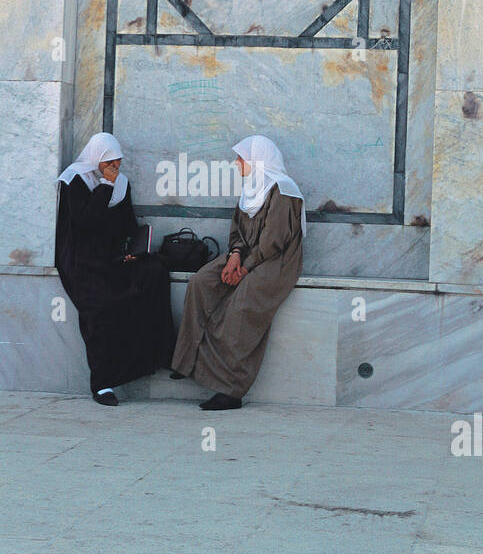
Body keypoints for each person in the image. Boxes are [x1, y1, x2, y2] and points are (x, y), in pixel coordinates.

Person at [171, 135, 305, 410]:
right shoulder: (251, 188)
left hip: (275, 262)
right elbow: (238, 231)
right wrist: (234, 256)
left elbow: (274, 240)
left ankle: (232, 391)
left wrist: (244, 268)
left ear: (257, 160)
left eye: (241, 158)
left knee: (239, 307)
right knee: (200, 282)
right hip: (245, 257)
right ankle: (187, 360)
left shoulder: (283, 190)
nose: (236, 163)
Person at [55, 132, 175, 406]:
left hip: (112, 257)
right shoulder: (75, 179)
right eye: (109, 162)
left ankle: (159, 355)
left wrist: (134, 250)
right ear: (96, 159)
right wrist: (105, 187)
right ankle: (102, 383)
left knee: (154, 272)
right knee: (100, 306)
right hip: (81, 260)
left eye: (117, 162)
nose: (115, 168)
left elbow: (127, 223)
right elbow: (85, 223)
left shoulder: (121, 183)